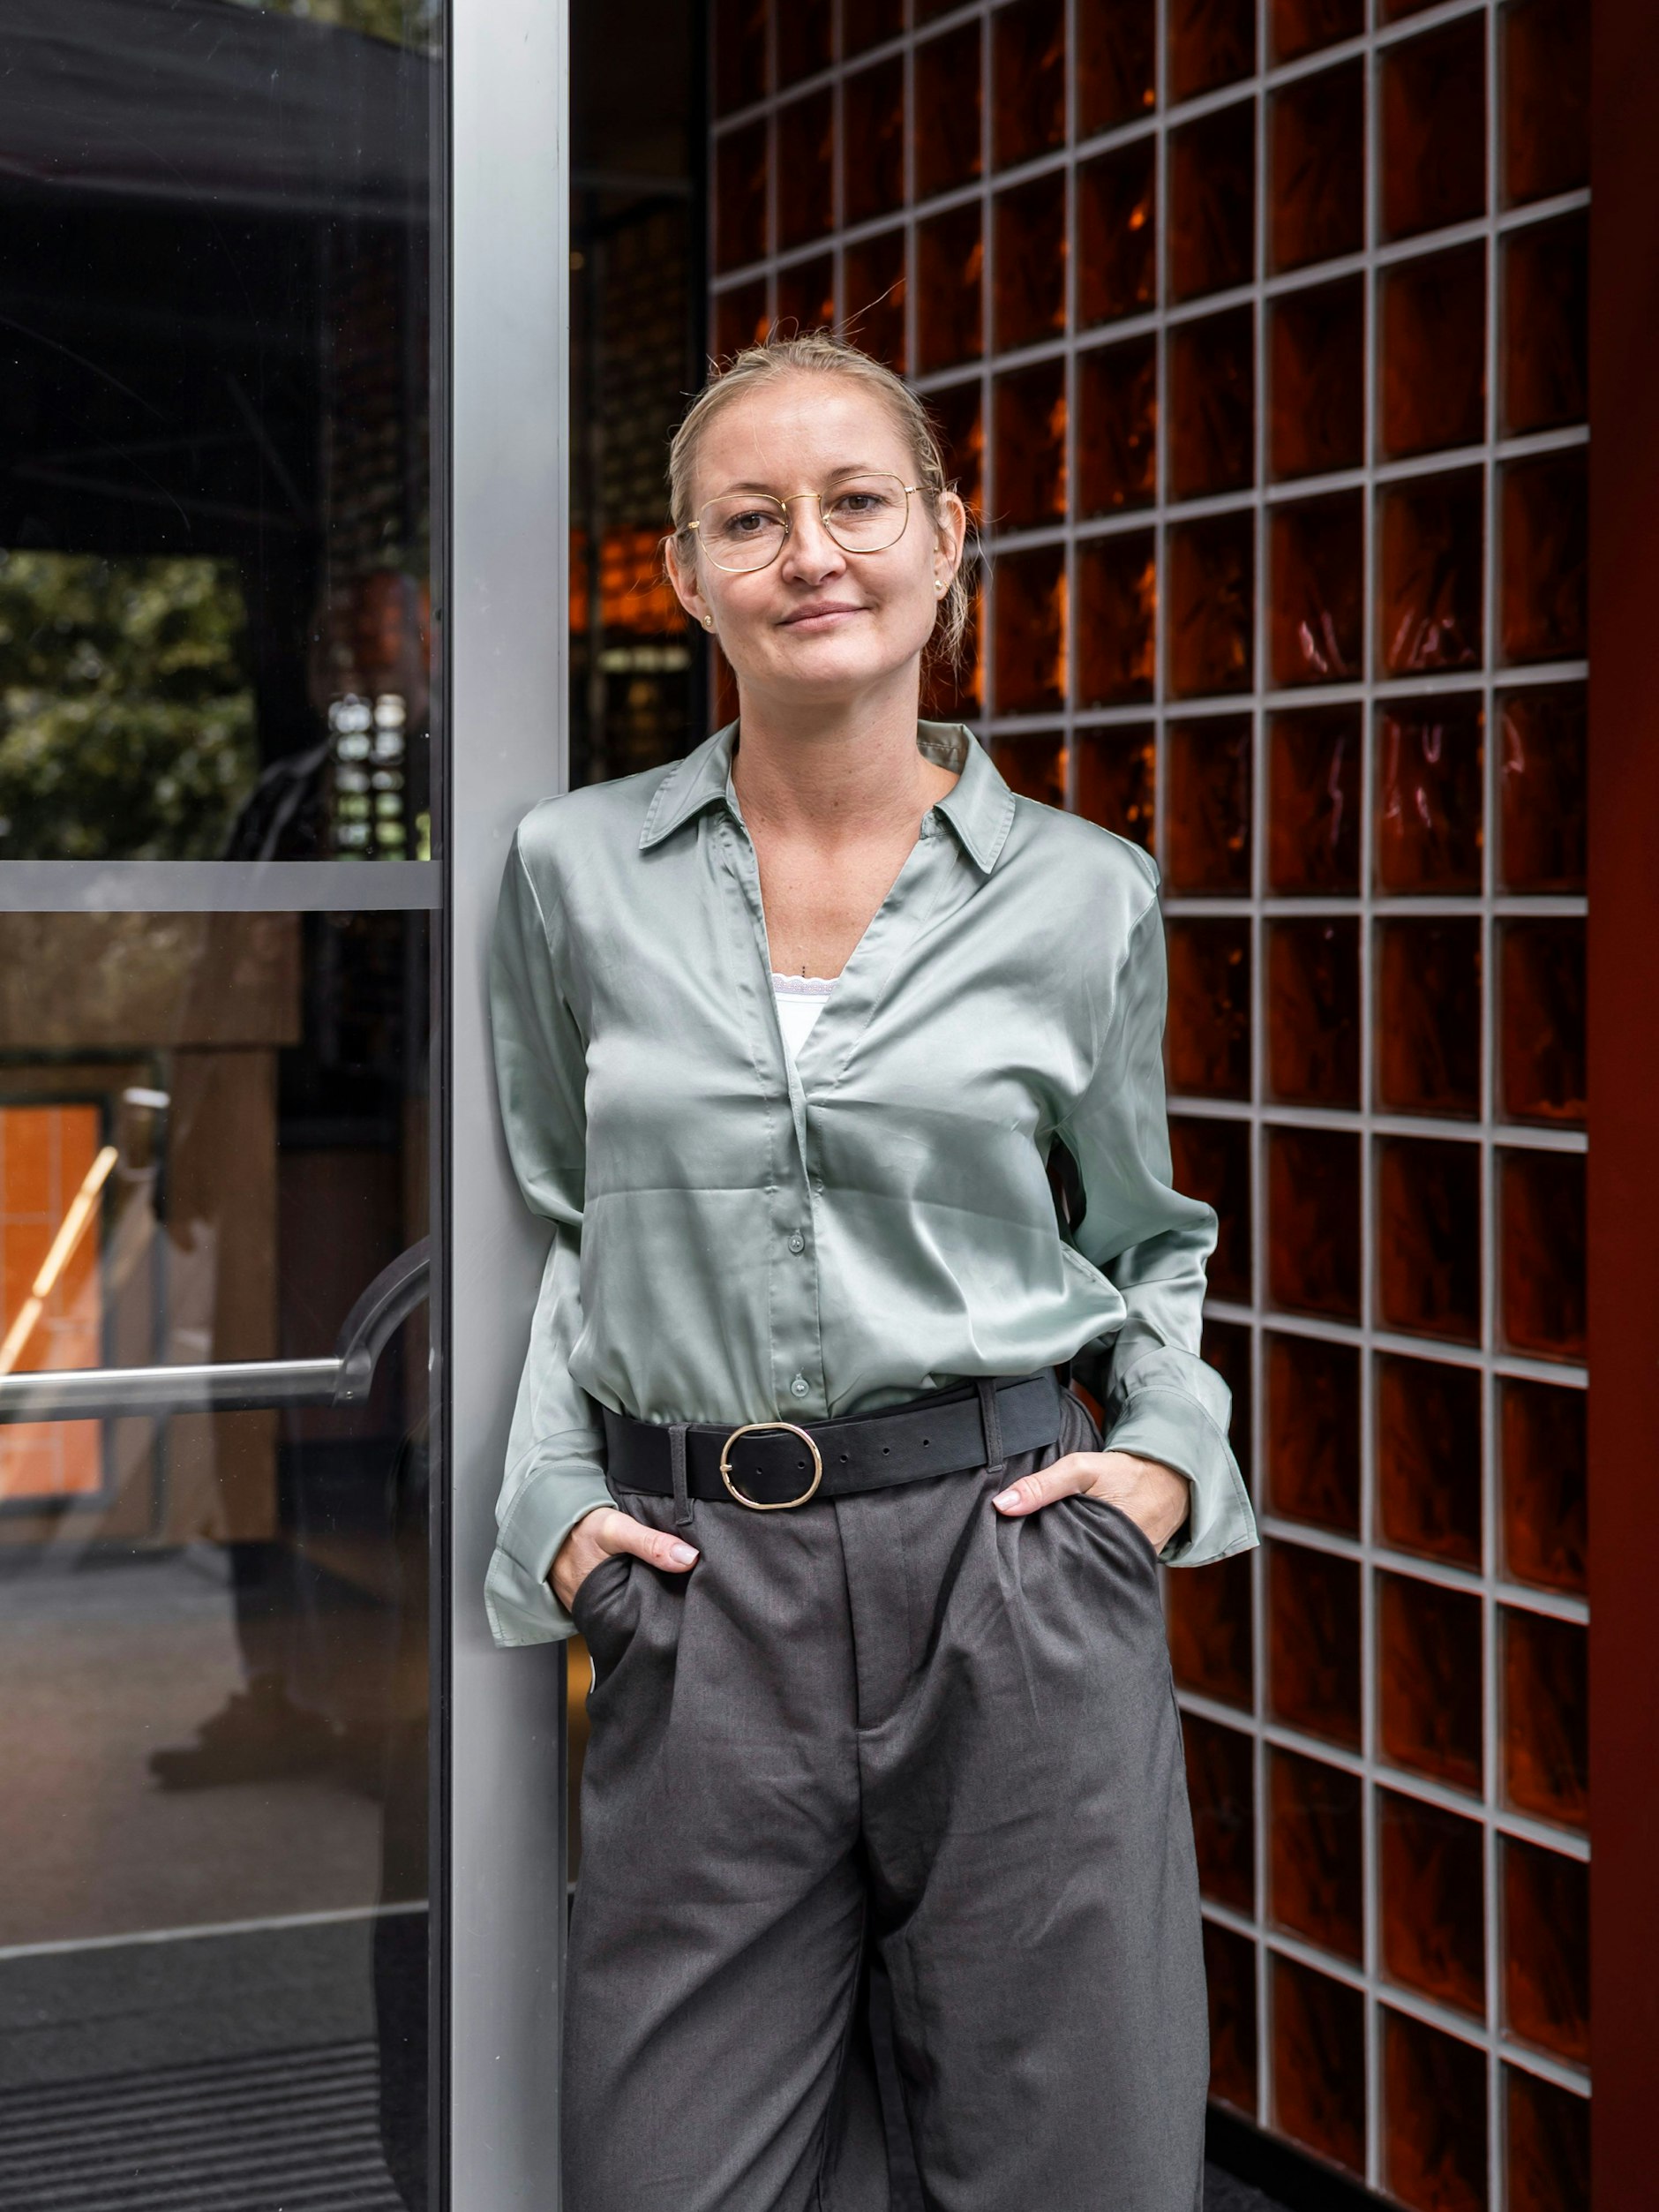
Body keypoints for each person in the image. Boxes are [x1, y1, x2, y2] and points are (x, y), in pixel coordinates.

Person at [486, 332, 1257, 2212]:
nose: (808, 552)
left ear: (943, 541)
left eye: (854, 504)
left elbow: (1147, 1233)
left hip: (1009, 1563)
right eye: (751, 519)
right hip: (699, 1588)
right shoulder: (571, 870)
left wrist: (1155, 1467)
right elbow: (556, 1225)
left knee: (1069, 2157)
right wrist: (563, 1517)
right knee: (666, 2170)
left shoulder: (1084, 889)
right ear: (685, 576)